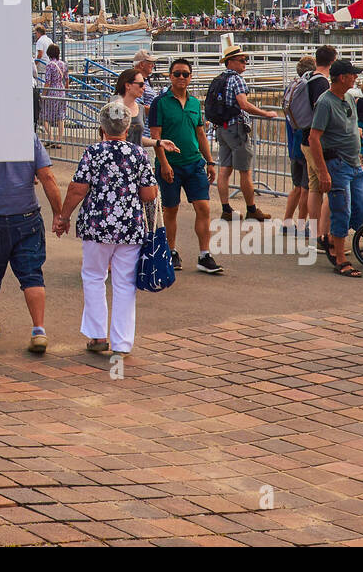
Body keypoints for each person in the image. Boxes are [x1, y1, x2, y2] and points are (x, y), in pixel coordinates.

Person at [56, 100, 157, 357]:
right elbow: (148, 194)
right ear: (128, 127)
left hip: (96, 225)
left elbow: (78, 188)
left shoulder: (93, 152)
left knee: (93, 277)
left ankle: (97, 335)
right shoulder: (138, 154)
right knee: (124, 283)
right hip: (130, 227)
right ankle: (122, 342)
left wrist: (63, 216)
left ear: (102, 127)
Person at [0, 134, 62, 354]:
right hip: (28, 217)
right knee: (32, 273)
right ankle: (38, 330)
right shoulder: (27, 137)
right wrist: (58, 214)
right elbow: (47, 176)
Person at [148, 57, 220, 273]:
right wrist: (164, 164)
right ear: (170, 76)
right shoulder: (159, 103)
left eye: (185, 74)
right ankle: (171, 251)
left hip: (194, 163)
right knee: (171, 209)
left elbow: (200, 133)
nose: (181, 77)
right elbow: (156, 137)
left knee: (204, 207)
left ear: (190, 77)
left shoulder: (195, 103)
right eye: (177, 73)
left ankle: (204, 255)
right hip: (170, 165)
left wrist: (210, 161)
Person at [305, 59, 363, 277]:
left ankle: (332, 238)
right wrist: (323, 171)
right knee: (342, 210)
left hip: (353, 164)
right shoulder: (325, 102)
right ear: (342, 77)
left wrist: (360, 161)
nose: (355, 77)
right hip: (337, 164)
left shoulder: (350, 98)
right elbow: (314, 138)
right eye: (352, 74)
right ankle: (340, 258)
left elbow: (352, 131)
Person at [211, 43, 279, 221]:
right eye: (242, 60)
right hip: (236, 129)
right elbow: (243, 104)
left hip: (222, 128)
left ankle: (226, 209)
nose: (245, 64)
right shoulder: (236, 80)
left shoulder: (219, 78)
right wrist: (265, 113)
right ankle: (252, 209)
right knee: (245, 171)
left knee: (224, 170)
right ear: (230, 62)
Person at [299, 45, 336, 253]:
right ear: (333, 61)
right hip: (316, 141)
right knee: (328, 187)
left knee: (314, 188)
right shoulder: (322, 82)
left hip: (304, 139)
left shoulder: (308, 77)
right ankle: (323, 236)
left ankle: (314, 236)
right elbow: (322, 110)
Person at [280, 56, 315, 236]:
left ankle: (286, 222)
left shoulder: (291, 87)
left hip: (293, 144)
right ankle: (301, 226)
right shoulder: (308, 89)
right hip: (305, 144)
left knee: (296, 187)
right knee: (307, 188)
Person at [39, 43, 68, 140]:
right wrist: (65, 89)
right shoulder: (63, 64)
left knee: (45, 115)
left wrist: (43, 94)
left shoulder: (49, 65)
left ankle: (50, 137)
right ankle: (59, 140)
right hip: (61, 91)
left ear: (49, 53)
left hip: (52, 91)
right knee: (60, 117)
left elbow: (48, 81)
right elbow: (67, 79)